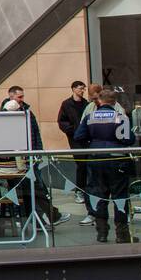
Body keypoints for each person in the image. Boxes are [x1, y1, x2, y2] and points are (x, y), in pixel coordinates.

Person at [74, 88, 135, 243]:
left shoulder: (90, 117)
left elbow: (78, 136)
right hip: (117, 160)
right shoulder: (120, 117)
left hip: (96, 160)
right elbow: (129, 140)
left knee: (98, 195)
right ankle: (122, 235)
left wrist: (91, 144)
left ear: (99, 101)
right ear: (114, 102)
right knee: (120, 197)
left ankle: (102, 233)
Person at [2, 85, 68, 228]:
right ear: (11, 96)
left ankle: (43, 219)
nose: (21, 99)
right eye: (19, 97)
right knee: (33, 189)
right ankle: (49, 216)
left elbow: (35, 132)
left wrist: (38, 151)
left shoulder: (27, 112)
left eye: (22, 96)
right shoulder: (6, 112)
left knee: (34, 189)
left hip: (30, 156)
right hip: (17, 160)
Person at [58, 80, 89, 210]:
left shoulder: (86, 104)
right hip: (75, 139)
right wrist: (72, 131)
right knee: (81, 164)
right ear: (74, 89)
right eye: (80, 88)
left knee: (88, 164)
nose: (82, 91)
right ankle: (79, 191)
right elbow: (61, 121)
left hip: (87, 138)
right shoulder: (66, 104)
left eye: (83, 88)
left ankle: (87, 190)